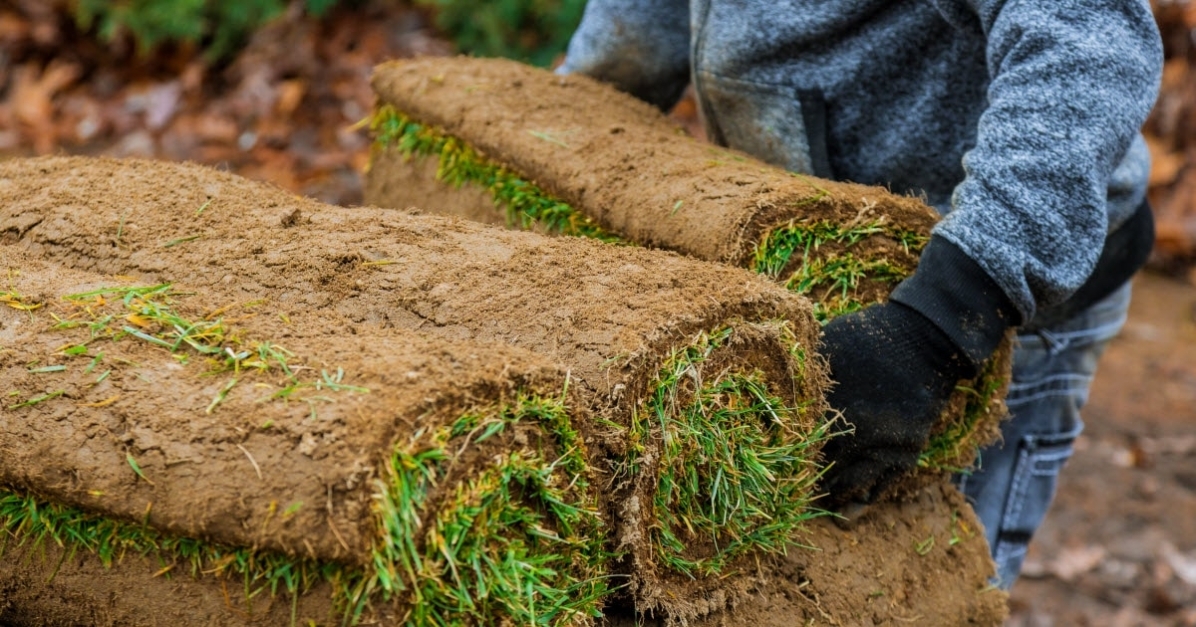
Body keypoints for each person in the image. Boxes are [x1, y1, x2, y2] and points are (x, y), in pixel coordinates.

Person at [556, 0, 1162, 589]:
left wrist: (940, 322)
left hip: (988, 289)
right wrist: (578, 112)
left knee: (920, 588)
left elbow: (1089, 45)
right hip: (824, 266)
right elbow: (639, 28)